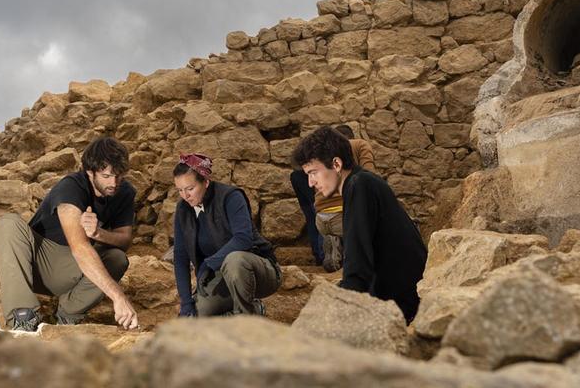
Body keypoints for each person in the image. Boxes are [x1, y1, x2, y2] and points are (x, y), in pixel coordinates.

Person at [0, 137, 138, 331]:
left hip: (71, 271)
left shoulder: (124, 192)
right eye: (106, 176)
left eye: (119, 176)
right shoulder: (71, 186)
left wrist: (98, 233)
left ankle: (68, 316)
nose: (114, 182)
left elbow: (125, 239)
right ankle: (23, 318)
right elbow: (79, 247)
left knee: (117, 258)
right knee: (9, 223)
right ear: (90, 172)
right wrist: (118, 297)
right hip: (38, 264)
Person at [293, 126, 427, 323]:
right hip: (396, 298)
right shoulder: (360, 182)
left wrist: (326, 315)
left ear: (336, 164)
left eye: (313, 172)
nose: (310, 183)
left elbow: (358, 270)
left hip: (400, 306)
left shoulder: (359, 186)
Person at [172, 153, 281, 317]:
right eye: (180, 190)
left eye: (190, 189)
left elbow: (243, 239)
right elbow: (180, 257)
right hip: (220, 277)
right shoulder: (183, 209)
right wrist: (186, 303)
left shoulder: (231, 197)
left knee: (234, 260)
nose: (185, 196)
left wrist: (209, 264)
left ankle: (245, 317)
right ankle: (252, 311)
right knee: (192, 320)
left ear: (206, 182)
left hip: (257, 272)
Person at [290, 125, 375, 272]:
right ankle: (353, 256)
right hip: (343, 216)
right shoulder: (360, 144)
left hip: (321, 217)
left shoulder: (322, 155)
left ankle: (329, 243)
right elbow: (370, 176)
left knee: (316, 217)